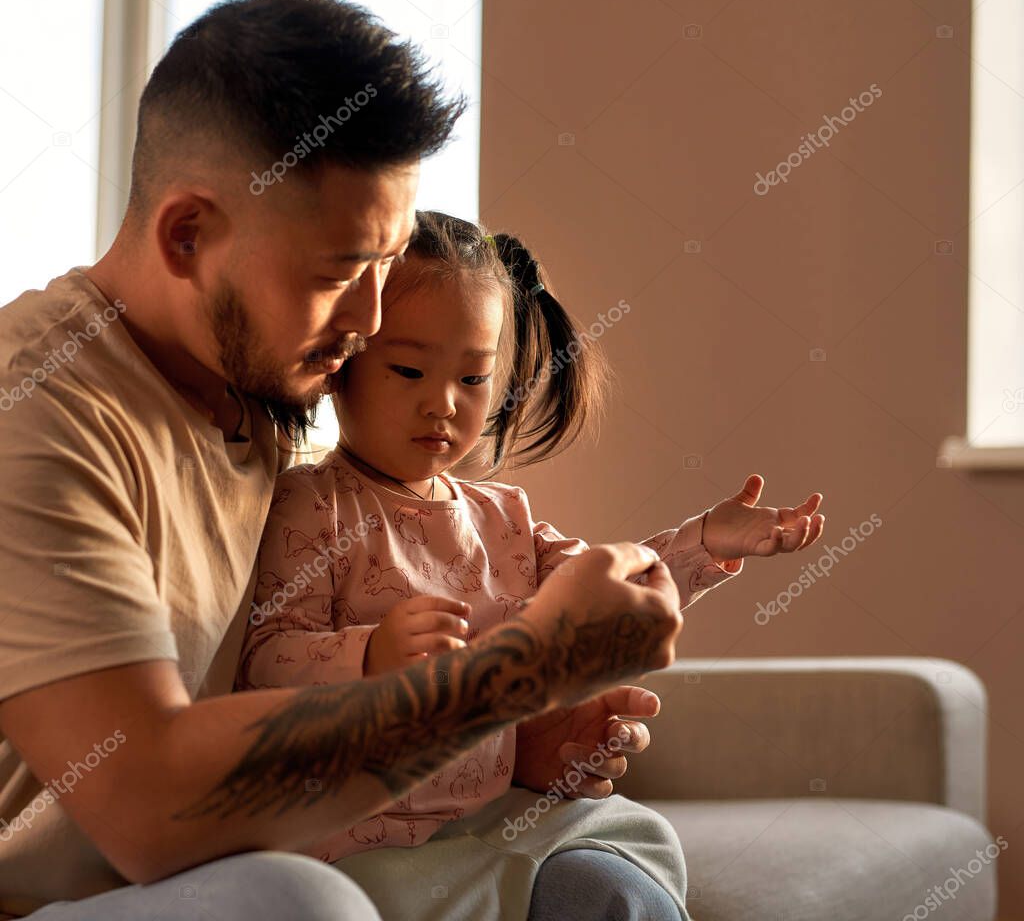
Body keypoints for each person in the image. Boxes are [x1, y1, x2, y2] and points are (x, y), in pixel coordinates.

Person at [0, 0, 685, 921]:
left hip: (186, 869)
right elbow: (146, 799)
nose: (367, 322)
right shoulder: (37, 412)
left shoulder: (249, 385)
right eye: (337, 274)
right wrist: (520, 670)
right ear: (187, 233)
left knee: (603, 855)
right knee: (292, 905)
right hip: (56, 893)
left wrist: (522, 731)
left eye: (383, 264)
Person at [237, 210, 827, 920]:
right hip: (362, 844)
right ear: (343, 365)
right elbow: (264, 659)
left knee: (621, 885)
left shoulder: (502, 519)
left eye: (474, 378)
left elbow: (610, 593)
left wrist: (706, 543)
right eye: (407, 369)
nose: (443, 403)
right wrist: (369, 656)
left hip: (497, 813)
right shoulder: (313, 505)